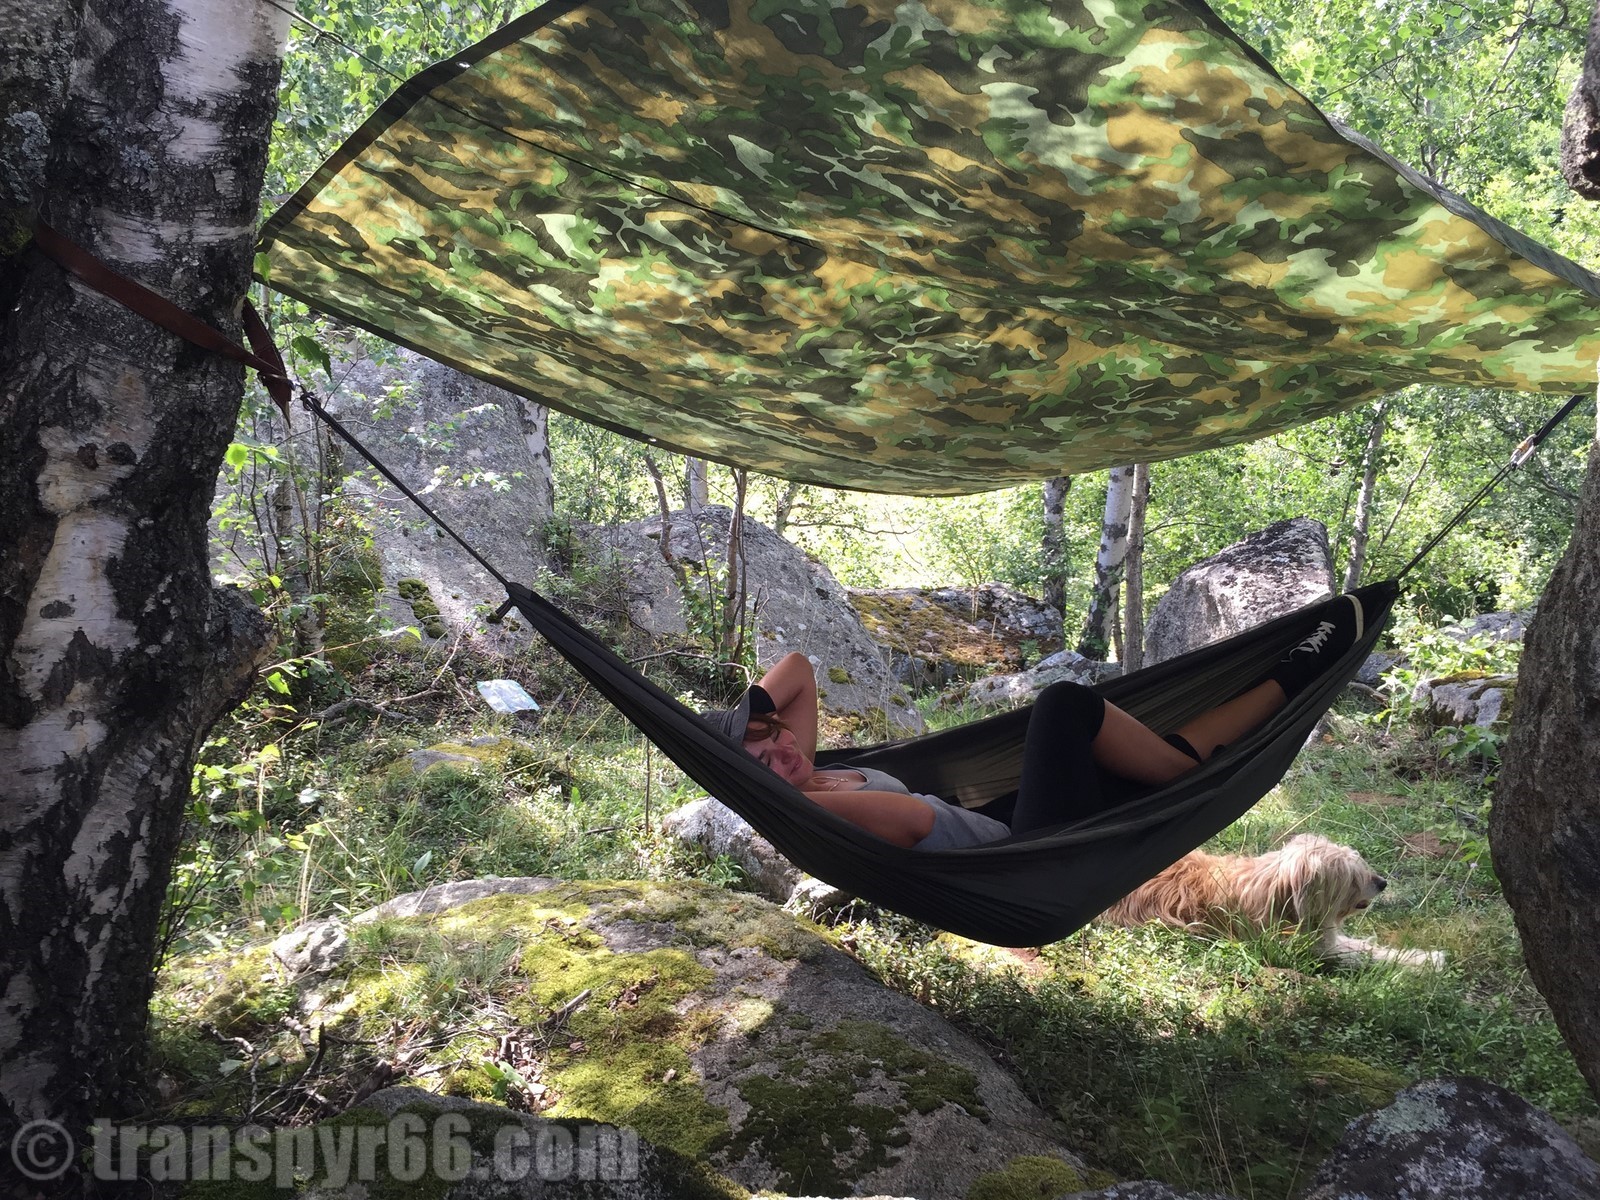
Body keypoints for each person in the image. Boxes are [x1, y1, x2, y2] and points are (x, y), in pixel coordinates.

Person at [707, 592, 1366, 849]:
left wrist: (745, 728)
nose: (784, 757)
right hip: (1022, 847)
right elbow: (911, 820)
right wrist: (758, 778)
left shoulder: (812, 770)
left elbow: (794, 667)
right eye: (765, 767)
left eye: (774, 741)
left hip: (1010, 814)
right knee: (1064, 706)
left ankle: (1298, 668)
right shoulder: (811, 812)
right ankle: (1184, 773)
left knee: (1151, 760)